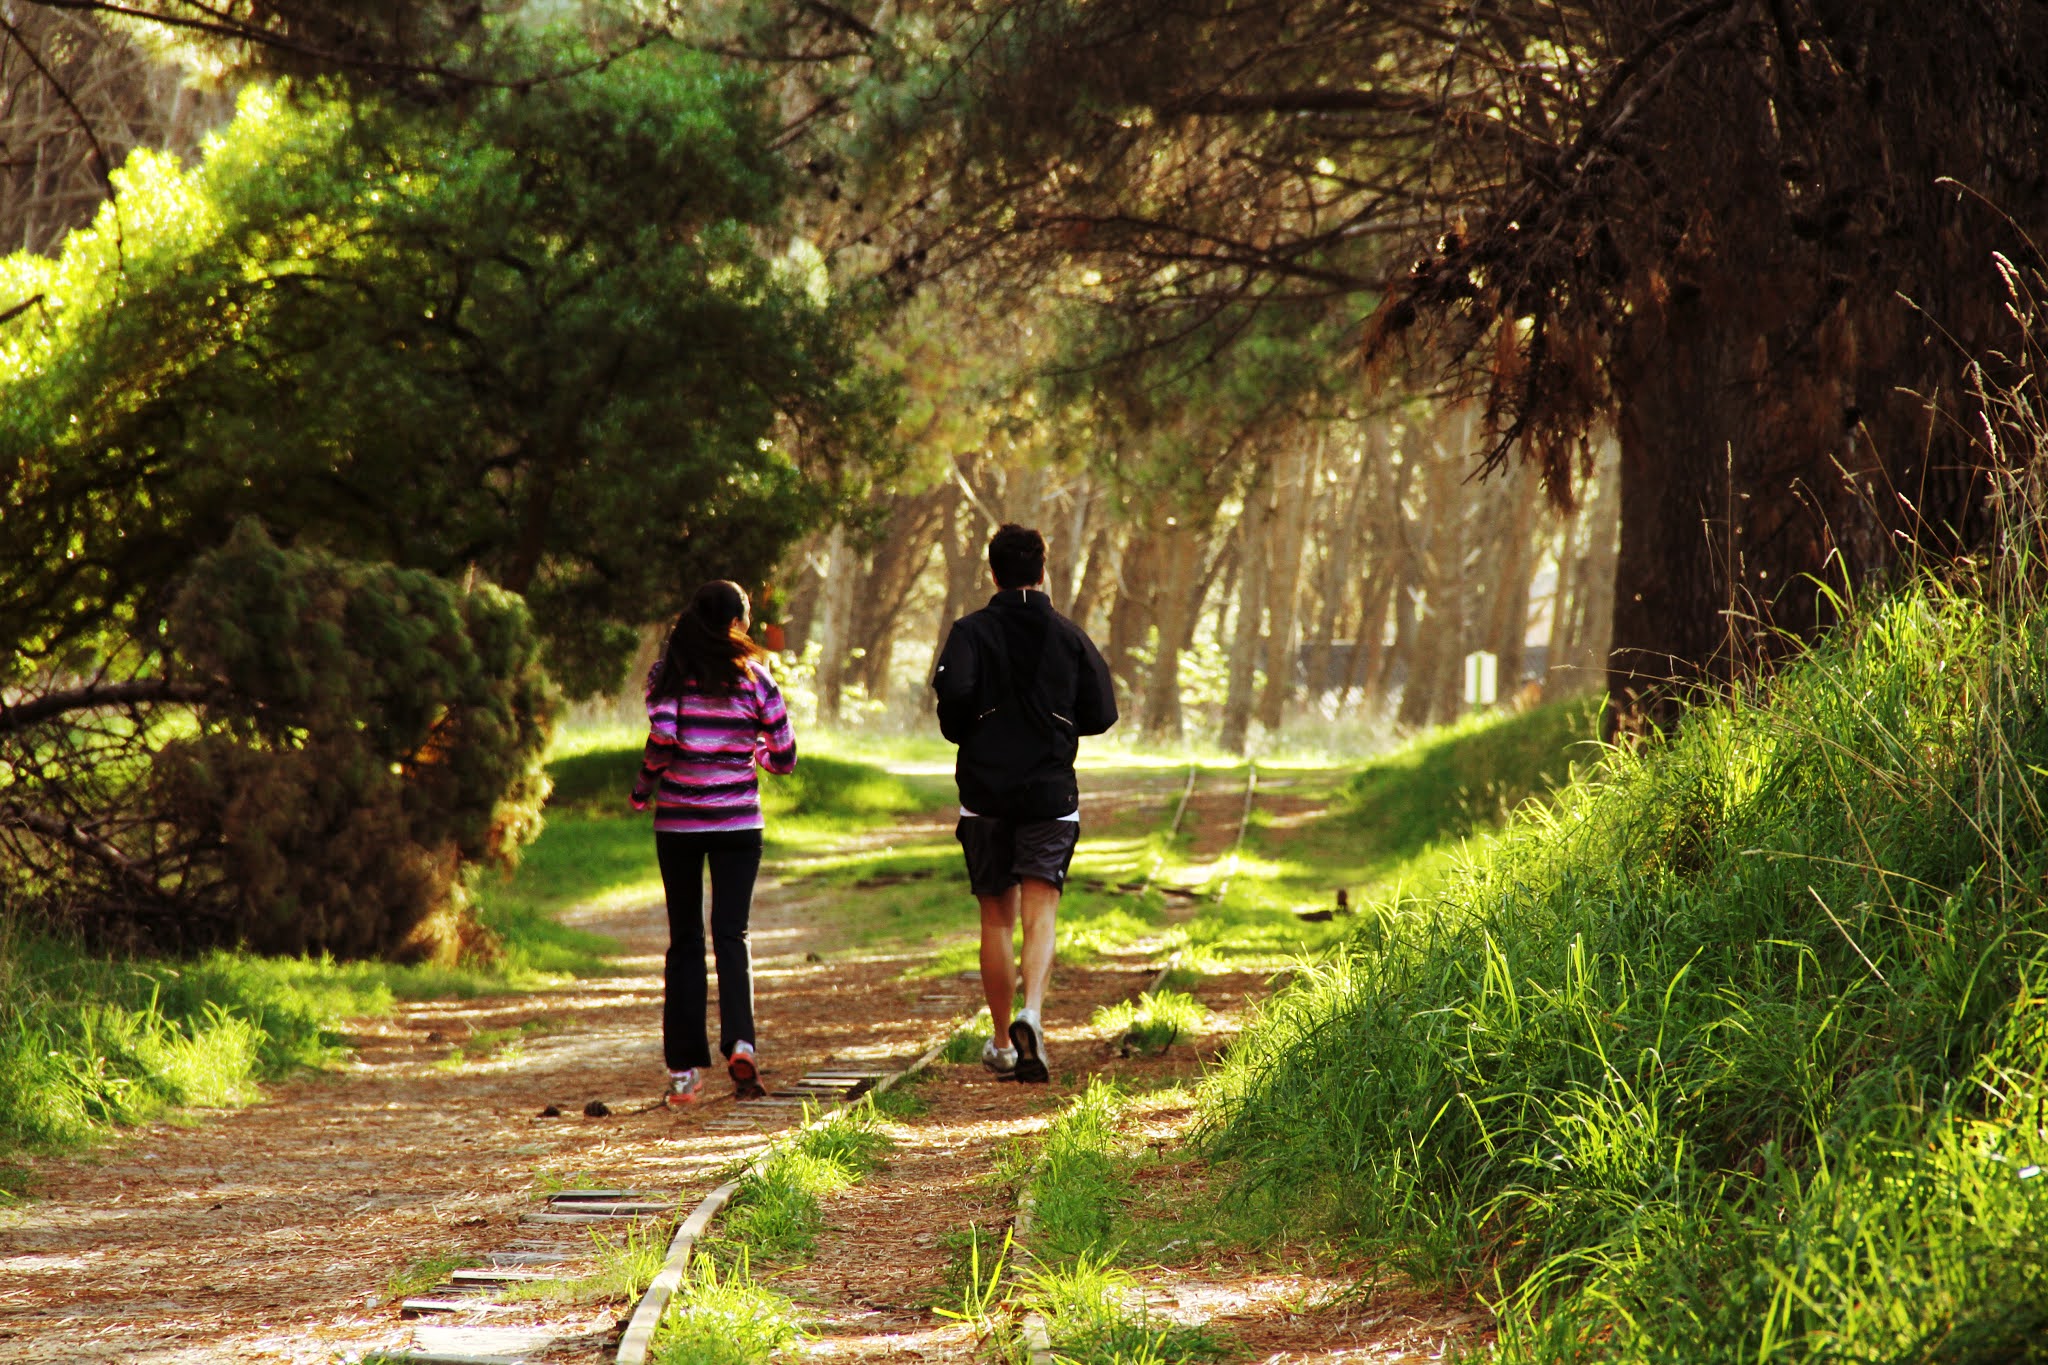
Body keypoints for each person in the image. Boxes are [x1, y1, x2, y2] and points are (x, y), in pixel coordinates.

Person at [932, 524, 1118, 1082]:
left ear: (991, 572)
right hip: (1049, 793)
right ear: (1043, 571)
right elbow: (1103, 711)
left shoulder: (969, 633)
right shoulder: (1068, 635)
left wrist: (971, 733)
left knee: (995, 918)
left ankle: (1000, 1042)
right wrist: (1059, 728)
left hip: (985, 792)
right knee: (1041, 914)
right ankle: (1032, 1014)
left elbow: (954, 698)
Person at [631, 581, 797, 1107]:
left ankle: (683, 1072)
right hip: (738, 826)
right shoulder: (756, 679)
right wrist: (759, 761)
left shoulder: (671, 673)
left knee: (684, 942)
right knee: (732, 935)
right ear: (739, 623)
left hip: (679, 825)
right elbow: (784, 752)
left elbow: (663, 741)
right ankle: (741, 1043)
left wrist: (642, 789)